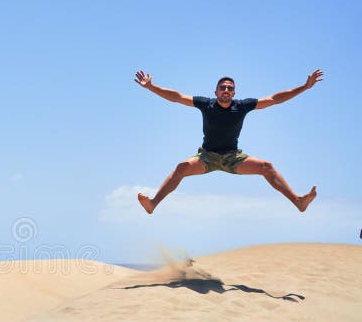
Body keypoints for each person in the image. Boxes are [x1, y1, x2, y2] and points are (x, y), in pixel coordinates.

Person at [134, 69, 323, 214]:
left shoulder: (242, 106)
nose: (226, 90)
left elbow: (274, 99)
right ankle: (152, 204)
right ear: (216, 91)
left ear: (234, 93)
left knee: (267, 167)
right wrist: (151, 87)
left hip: (233, 158)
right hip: (207, 157)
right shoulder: (206, 104)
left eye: (230, 88)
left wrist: (304, 87)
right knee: (181, 167)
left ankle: (298, 201)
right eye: (222, 87)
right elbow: (177, 97)